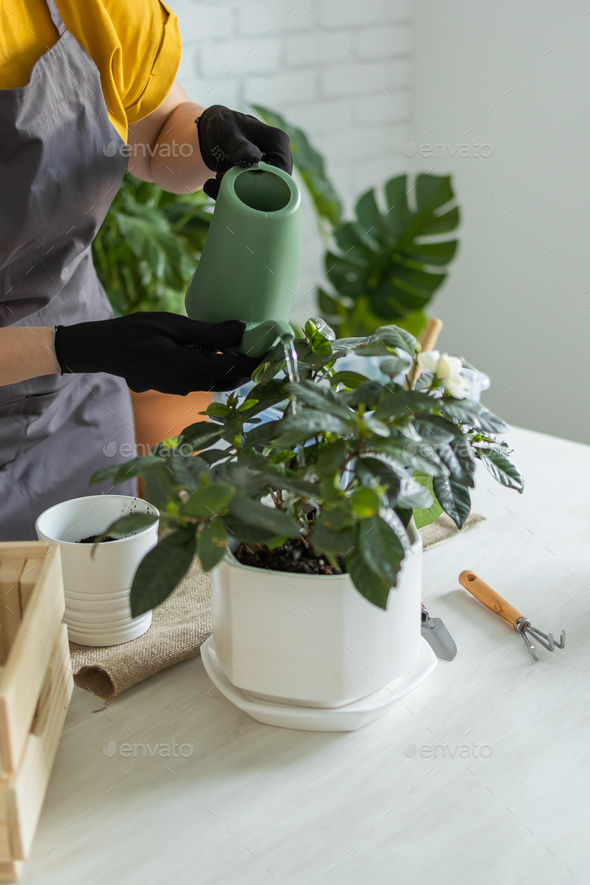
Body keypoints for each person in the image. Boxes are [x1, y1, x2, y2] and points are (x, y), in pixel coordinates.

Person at [0, 0, 293, 540]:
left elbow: (156, 139)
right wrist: (74, 348)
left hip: (74, 415)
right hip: (74, 354)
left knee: (94, 614)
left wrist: (206, 139)